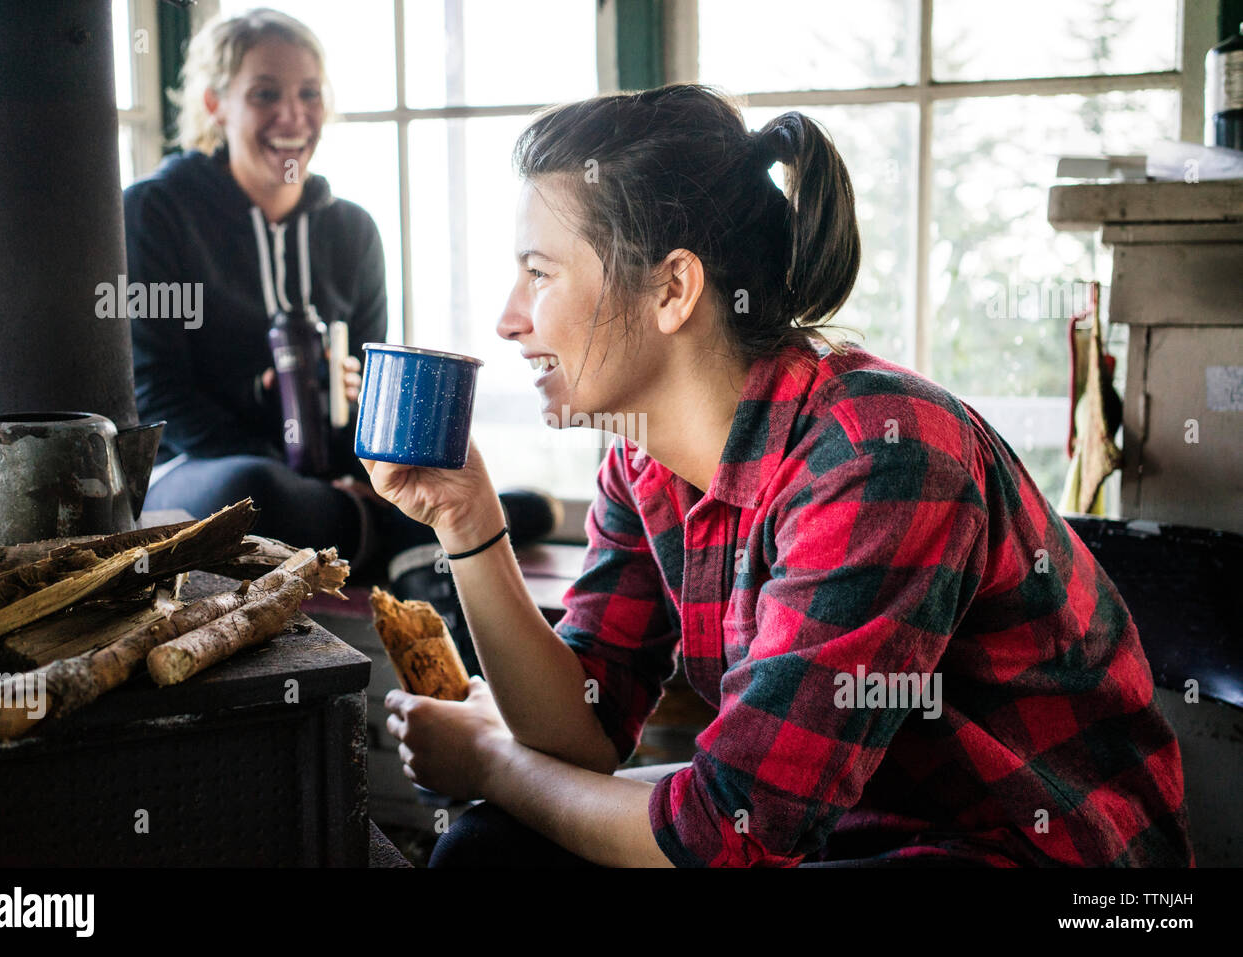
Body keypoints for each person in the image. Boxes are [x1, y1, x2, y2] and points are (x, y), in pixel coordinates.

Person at [366, 85, 1194, 868]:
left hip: (1035, 857)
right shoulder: (639, 460)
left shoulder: (880, 456)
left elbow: (727, 837)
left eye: (539, 273)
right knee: (487, 850)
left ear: (673, 288)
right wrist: (467, 522)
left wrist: (492, 761)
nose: (509, 319)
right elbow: (584, 726)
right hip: (848, 833)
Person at [125, 10, 553, 631]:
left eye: (309, 94)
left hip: (322, 487)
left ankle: (393, 526)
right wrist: (265, 420)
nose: (292, 116)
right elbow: (154, 398)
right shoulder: (156, 212)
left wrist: (354, 411)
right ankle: (410, 531)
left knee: (483, 488)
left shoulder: (351, 230)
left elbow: (376, 407)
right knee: (247, 493)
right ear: (216, 103)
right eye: (265, 93)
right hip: (203, 472)